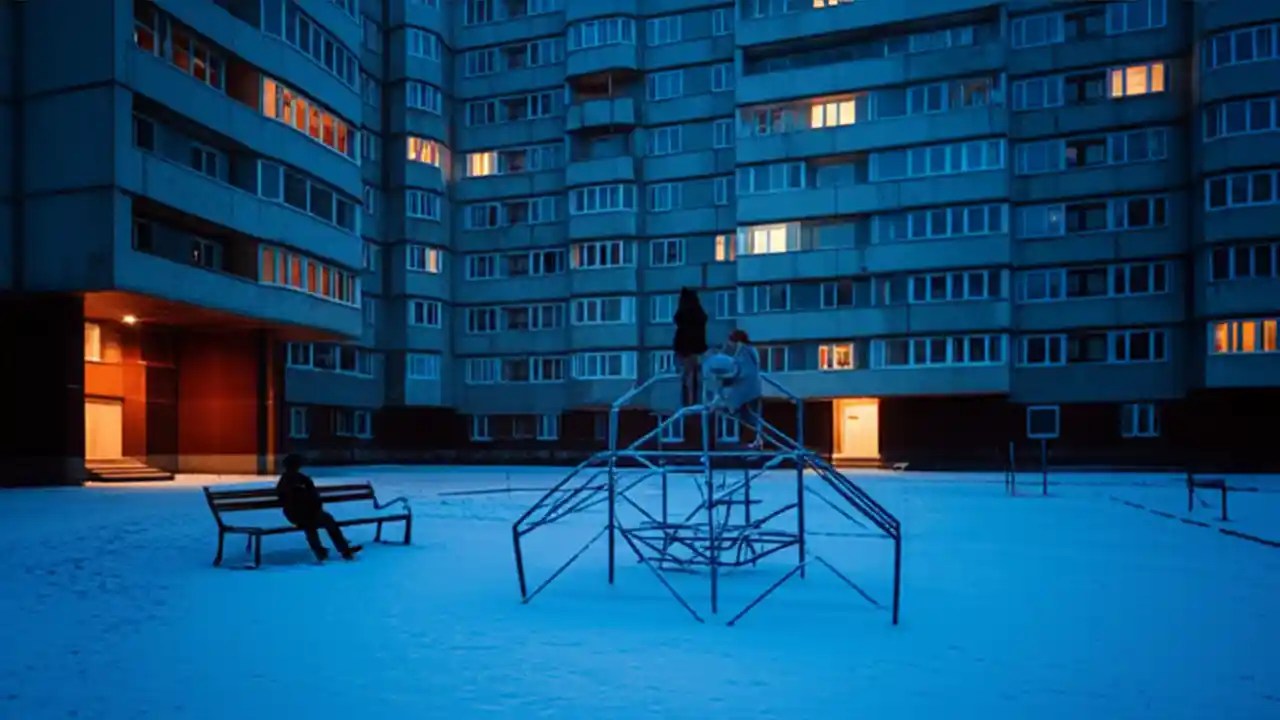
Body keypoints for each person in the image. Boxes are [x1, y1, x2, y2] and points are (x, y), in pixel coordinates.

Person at [276, 454, 362, 562]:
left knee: (327, 520)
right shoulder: (286, 481)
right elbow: (287, 500)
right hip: (296, 513)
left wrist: (314, 505)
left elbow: (314, 495)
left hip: (310, 511)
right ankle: (321, 551)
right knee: (311, 522)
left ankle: (343, 549)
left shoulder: (303, 479)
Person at [720, 329, 765, 449]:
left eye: (731, 341)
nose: (729, 344)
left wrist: (728, 376)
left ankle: (757, 440)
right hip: (753, 389)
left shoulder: (743, 351)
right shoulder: (749, 350)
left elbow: (741, 370)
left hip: (748, 390)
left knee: (749, 415)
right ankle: (756, 440)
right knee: (751, 416)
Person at [672, 287, 709, 407]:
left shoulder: (684, 313)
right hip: (697, 349)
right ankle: (694, 401)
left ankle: (689, 403)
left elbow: (680, 324)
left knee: (687, 376)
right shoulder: (699, 313)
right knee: (694, 376)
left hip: (685, 349)